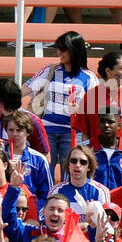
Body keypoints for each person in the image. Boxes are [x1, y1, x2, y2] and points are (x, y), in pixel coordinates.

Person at [24, 31, 97, 171]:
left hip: (72, 133)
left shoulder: (89, 77)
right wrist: (4, 100)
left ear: (74, 50)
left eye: (63, 49)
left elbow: (92, 110)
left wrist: (79, 110)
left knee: (70, 173)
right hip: (46, 130)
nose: (59, 52)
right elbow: (25, 89)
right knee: (44, 171)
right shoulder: (50, 70)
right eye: (58, 48)